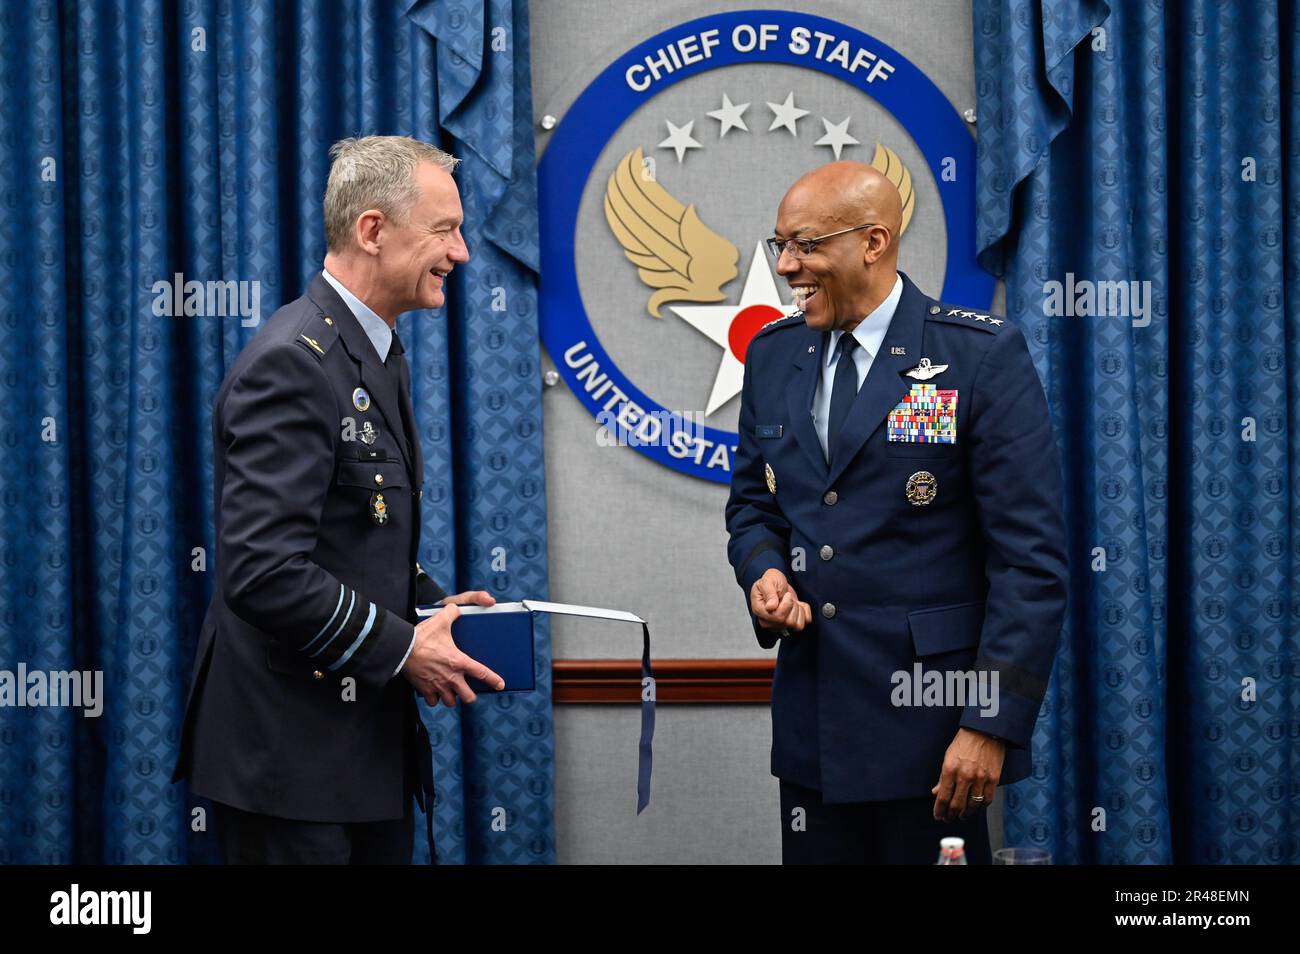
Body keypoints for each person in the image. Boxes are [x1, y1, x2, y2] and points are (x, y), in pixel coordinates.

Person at [171, 135, 504, 864]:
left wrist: (432, 609)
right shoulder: (294, 362)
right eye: (445, 230)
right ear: (374, 231)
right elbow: (261, 571)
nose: (463, 254)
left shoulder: (374, 350)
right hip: (289, 763)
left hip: (360, 752)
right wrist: (405, 648)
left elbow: (353, 535)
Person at [725, 161, 1068, 864]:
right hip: (813, 730)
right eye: (780, 245)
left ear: (874, 242)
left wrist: (990, 726)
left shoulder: (976, 356)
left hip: (934, 736)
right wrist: (762, 574)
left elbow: (1030, 565)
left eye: (806, 245)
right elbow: (754, 505)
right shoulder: (772, 354)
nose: (788, 266)